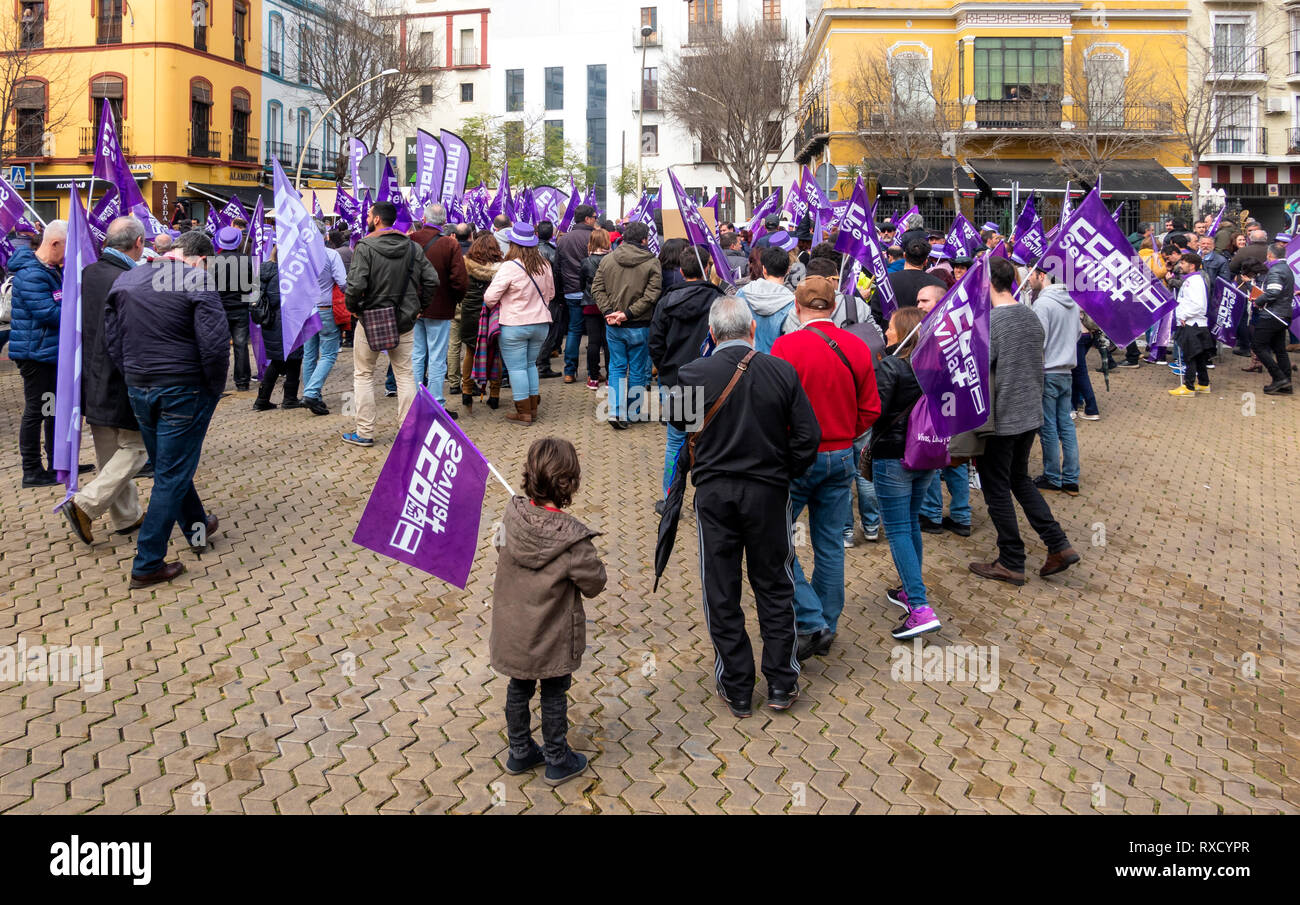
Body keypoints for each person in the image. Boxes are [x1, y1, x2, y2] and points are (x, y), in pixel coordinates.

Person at [673, 295, 820, 716]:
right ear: (752, 330)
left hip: (715, 495)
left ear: (712, 334)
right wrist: (782, 471)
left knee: (721, 589)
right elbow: (807, 437)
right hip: (769, 494)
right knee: (774, 584)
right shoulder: (781, 371)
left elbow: (682, 430)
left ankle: (738, 687)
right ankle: (780, 683)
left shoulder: (692, 373)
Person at [104, 230, 229, 589]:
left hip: (141, 387)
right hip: (182, 389)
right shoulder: (197, 279)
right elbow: (215, 345)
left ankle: (197, 528)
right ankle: (147, 563)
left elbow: (112, 338)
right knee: (171, 473)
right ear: (201, 259)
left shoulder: (128, 277)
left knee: (168, 466)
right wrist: (213, 387)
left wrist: (133, 374)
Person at [771, 276, 880, 660]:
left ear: (797, 308)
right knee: (830, 543)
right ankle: (826, 623)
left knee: (776, 537)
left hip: (797, 459)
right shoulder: (859, 347)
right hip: (841, 456)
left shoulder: (785, 347)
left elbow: (774, 407)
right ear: (832, 307)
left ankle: (812, 618)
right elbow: (871, 409)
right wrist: (845, 434)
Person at [491, 437, 607, 786]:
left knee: (518, 688)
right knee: (554, 692)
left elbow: (500, 547)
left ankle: (520, 750)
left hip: (514, 632)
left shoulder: (512, 515)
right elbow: (595, 582)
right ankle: (557, 757)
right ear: (569, 483)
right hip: (553, 637)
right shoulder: (573, 540)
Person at [971, 257, 1080, 585]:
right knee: (1019, 480)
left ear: (987, 284)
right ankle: (1058, 544)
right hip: (1030, 413)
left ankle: (1011, 559)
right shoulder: (1030, 316)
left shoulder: (993, 323)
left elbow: (978, 365)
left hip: (1004, 417)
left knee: (996, 487)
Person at [58, 216, 149, 545]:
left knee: (110, 454)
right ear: (138, 243)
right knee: (137, 448)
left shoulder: (86, 273)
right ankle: (84, 504)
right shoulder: (131, 278)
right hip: (122, 377)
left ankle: (126, 516)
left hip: (90, 378)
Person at [870, 306, 943, 639]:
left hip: (894, 458)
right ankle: (908, 589)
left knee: (898, 528)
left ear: (904, 332)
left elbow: (876, 411)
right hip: (926, 453)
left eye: (891, 327)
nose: (886, 331)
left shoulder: (891, 367)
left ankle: (919, 606)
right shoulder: (936, 367)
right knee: (911, 521)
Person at [342, 200, 439, 447]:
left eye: (369, 214)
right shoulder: (412, 247)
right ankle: (408, 433)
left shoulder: (364, 246)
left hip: (371, 319)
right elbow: (432, 281)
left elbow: (355, 286)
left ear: (376, 219)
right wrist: (419, 308)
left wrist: (353, 309)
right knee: (405, 375)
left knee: (363, 374)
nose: (366, 217)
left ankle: (364, 432)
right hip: (404, 320)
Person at [648, 243, 723, 503]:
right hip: (711, 380)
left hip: (676, 381)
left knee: (676, 441)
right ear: (708, 268)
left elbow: (655, 342)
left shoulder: (667, 300)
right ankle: (705, 499)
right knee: (710, 443)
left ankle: (671, 498)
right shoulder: (718, 300)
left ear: (681, 271)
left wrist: (666, 366)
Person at [9, 220, 78, 488]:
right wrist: (79, 312)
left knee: (51, 411)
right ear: (54, 243)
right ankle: (32, 470)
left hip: (48, 352)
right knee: (36, 411)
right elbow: (48, 313)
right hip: (35, 354)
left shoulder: (50, 270)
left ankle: (56, 463)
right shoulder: (31, 273)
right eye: (67, 248)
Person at [483, 223, 555, 425]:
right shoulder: (544, 264)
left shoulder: (509, 267)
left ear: (513, 243)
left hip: (514, 323)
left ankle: (523, 412)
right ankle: (532, 408)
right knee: (530, 364)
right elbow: (551, 294)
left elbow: (489, 298)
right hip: (540, 322)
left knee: (516, 369)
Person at [591, 221, 661, 429]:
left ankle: (615, 411)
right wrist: (627, 314)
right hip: (639, 324)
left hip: (614, 325)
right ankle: (633, 412)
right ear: (644, 240)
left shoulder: (607, 260)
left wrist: (609, 312)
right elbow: (652, 295)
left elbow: (597, 288)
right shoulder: (652, 262)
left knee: (617, 367)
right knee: (638, 370)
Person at [1027, 269, 1083, 493]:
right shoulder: (1072, 302)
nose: (1028, 280)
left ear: (1041, 275)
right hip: (1066, 370)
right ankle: (1070, 476)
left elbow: (1038, 339)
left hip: (1048, 371)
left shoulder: (1043, 304)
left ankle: (1052, 475)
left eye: (1031, 275)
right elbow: (1078, 333)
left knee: (1048, 426)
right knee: (1066, 425)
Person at [408, 203, 468, 408]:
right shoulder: (450, 245)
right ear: (443, 222)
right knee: (436, 356)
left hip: (414, 308)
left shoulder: (410, 241)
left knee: (417, 354)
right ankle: (435, 403)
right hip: (440, 308)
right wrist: (455, 299)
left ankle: (416, 399)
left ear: (424, 219)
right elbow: (460, 279)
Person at [297, 224, 347, 416]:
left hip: (306, 309)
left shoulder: (299, 256)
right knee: (328, 354)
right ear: (324, 236)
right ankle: (311, 393)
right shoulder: (331, 255)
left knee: (310, 355)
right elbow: (342, 282)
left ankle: (313, 396)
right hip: (325, 308)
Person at [252, 247, 304, 410]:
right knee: (294, 359)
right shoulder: (290, 272)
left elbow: (251, 296)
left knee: (277, 359)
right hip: (288, 320)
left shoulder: (261, 269)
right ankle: (288, 398)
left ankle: (263, 399)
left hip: (269, 321)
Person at [459, 233, 505, 413]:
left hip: (470, 313)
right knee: (495, 354)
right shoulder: (502, 269)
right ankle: (494, 396)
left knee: (470, 350)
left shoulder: (465, 265)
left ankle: (466, 391)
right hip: (493, 314)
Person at [556, 204, 598, 381]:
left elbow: (557, 267)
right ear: (587, 219)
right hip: (591, 292)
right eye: (595, 217)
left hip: (571, 291)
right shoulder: (594, 237)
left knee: (574, 330)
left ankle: (569, 371)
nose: (596, 220)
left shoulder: (564, 239)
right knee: (595, 334)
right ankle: (592, 372)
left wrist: (561, 291)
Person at [211, 225, 254, 391]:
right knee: (241, 345)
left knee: (219, 346)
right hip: (240, 308)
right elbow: (254, 288)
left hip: (220, 309)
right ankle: (242, 381)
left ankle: (218, 382)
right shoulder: (248, 261)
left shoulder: (213, 262)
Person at [1251, 243, 1294, 395]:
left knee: (1258, 345)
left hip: (1272, 315)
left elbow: (1273, 292)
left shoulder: (1275, 270)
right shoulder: (1286, 269)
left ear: (1270, 255)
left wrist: (1258, 301)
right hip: (1283, 314)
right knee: (1279, 349)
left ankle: (1279, 377)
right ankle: (1286, 382)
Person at [875, 240, 946, 329]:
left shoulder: (887, 281)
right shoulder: (939, 285)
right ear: (925, 261)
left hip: (892, 334)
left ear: (904, 256)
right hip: (924, 336)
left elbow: (876, 314)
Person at [737, 246, 796, 353]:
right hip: (775, 364)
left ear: (764, 269)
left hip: (743, 360)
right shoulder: (792, 303)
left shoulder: (742, 293)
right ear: (788, 270)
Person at [576, 228, 612, 389]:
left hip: (590, 304)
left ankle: (593, 377)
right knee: (608, 342)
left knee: (593, 342)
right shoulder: (612, 260)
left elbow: (581, 284)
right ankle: (611, 376)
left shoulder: (585, 262)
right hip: (609, 305)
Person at [533, 220, 565, 379]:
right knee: (550, 331)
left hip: (533, 296)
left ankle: (536, 363)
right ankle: (542, 365)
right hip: (550, 297)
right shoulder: (552, 252)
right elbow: (558, 276)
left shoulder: (529, 250)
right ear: (552, 235)